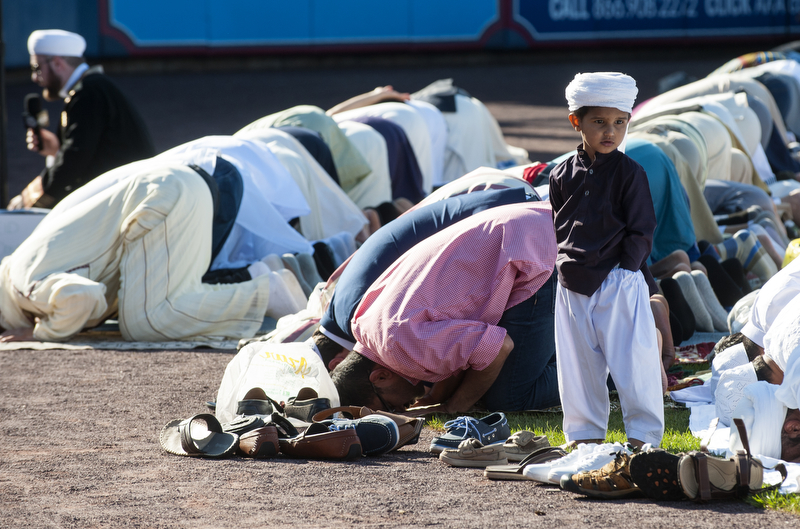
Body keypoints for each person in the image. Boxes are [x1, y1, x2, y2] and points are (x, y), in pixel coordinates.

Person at [0, 163, 272, 343]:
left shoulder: (22, 284)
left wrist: (37, 333)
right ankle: (271, 274)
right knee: (172, 299)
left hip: (165, 196)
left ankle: (270, 293)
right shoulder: (22, 264)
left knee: (148, 321)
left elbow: (83, 297)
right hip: (180, 187)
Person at [330, 201, 559, 414]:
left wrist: (454, 407)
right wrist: (437, 398)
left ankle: (594, 374)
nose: (401, 411)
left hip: (533, 251)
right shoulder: (364, 325)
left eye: (390, 407)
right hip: (523, 233)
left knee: (508, 397)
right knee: (495, 379)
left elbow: (499, 347)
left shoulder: (400, 347)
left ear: (380, 377)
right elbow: (454, 353)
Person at [550, 72, 664, 448]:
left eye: (619, 122)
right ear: (576, 121)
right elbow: (558, 222)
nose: (610, 131)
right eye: (599, 122)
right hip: (571, 284)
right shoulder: (561, 173)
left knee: (634, 365)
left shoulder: (631, 173)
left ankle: (643, 441)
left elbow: (642, 228)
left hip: (618, 280)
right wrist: (566, 265)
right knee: (578, 367)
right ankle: (584, 440)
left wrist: (625, 270)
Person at [315, 187, 531, 370]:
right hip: (499, 214)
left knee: (513, 379)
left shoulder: (357, 321)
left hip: (510, 223)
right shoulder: (340, 312)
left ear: (336, 364)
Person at [11, 30, 154, 209]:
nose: (34, 77)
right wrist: (56, 148)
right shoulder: (92, 88)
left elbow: (73, 163)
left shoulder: (88, 93)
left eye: (36, 68)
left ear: (57, 63)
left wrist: (26, 200)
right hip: (127, 197)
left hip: (127, 202)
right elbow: (88, 153)